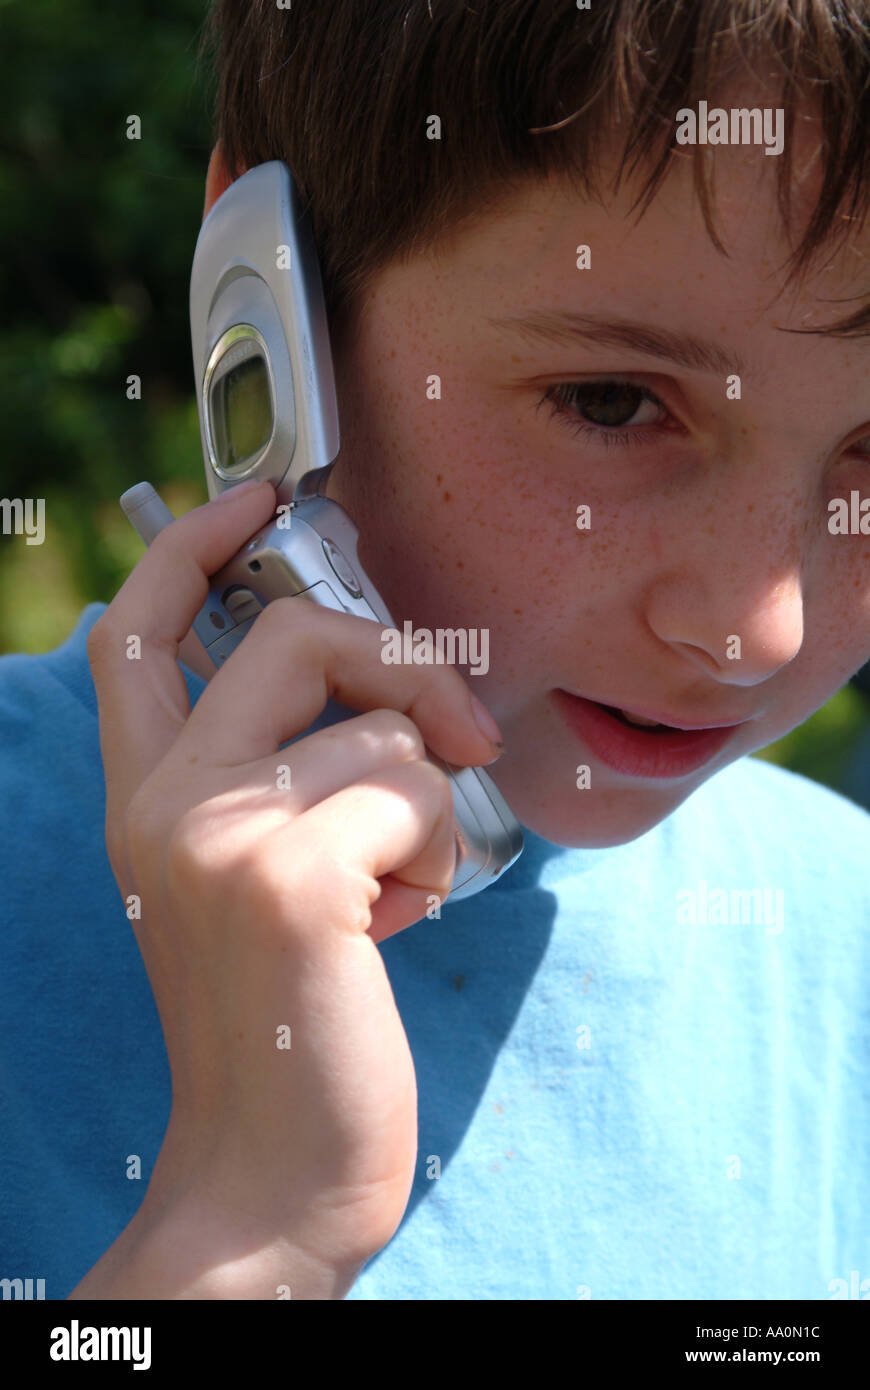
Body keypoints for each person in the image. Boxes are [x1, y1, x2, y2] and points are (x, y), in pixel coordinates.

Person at [2, 0, 870, 1300]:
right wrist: (245, 1234)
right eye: (610, 401)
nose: (756, 632)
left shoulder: (837, 935)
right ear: (261, 290)